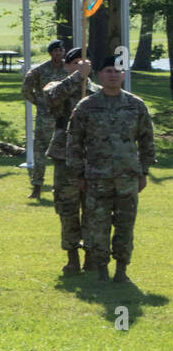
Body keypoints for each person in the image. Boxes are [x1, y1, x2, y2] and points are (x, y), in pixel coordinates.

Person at [66, 55, 156, 284]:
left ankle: (122, 270)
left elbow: (147, 141)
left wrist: (143, 172)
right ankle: (102, 270)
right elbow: (74, 142)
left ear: (124, 75)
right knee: (98, 226)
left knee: (125, 226)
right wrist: (79, 174)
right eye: (108, 71)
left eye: (117, 71)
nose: (113, 75)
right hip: (97, 178)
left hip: (127, 178)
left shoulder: (136, 105)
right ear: (99, 75)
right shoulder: (87, 106)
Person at [42, 48, 98, 274]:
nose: (79, 66)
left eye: (83, 63)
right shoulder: (55, 86)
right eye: (74, 63)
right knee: (67, 208)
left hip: (93, 158)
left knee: (94, 209)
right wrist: (77, 78)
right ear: (67, 66)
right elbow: (52, 99)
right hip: (65, 157)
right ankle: (72, 256)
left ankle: (92, 256)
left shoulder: (98, 91)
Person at [21, 39, 70, 199]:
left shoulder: (69, 70)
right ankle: (37, 186)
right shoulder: (39, 71)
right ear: (50, 53)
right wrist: (40, 103)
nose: (58, 53)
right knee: (40, 152)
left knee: (66, 152)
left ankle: (64, 187)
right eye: (55, 51)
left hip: (65, 117)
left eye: (61, 50)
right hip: (45, 117)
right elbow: (26, 89)